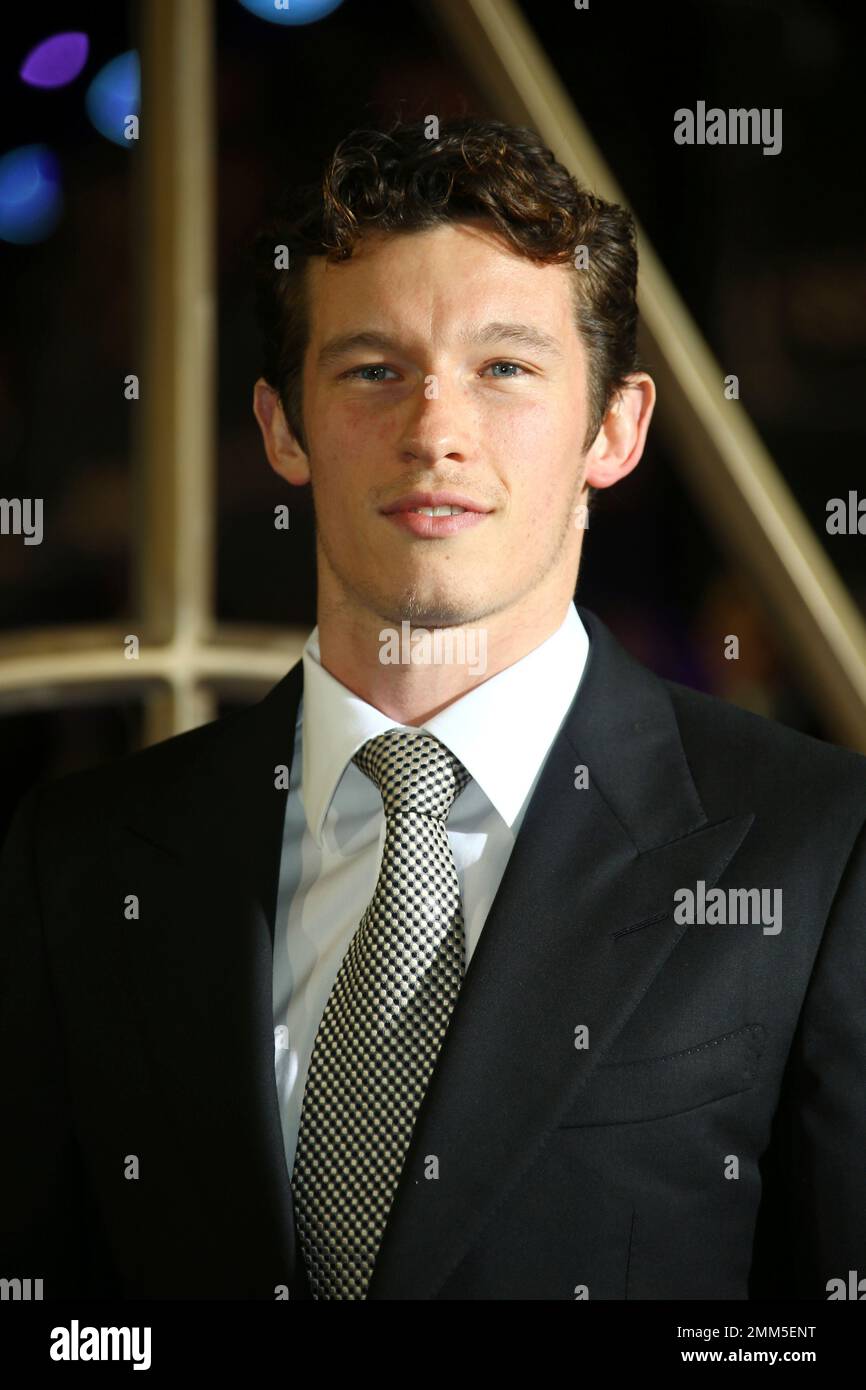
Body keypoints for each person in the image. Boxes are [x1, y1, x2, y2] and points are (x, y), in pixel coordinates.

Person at [1, 116, 864, 1301]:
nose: (434, 433)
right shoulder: (83, 858)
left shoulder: (817, 848)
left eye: (504, 368)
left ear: (612, 428)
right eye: (372, 371)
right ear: (281, 429)